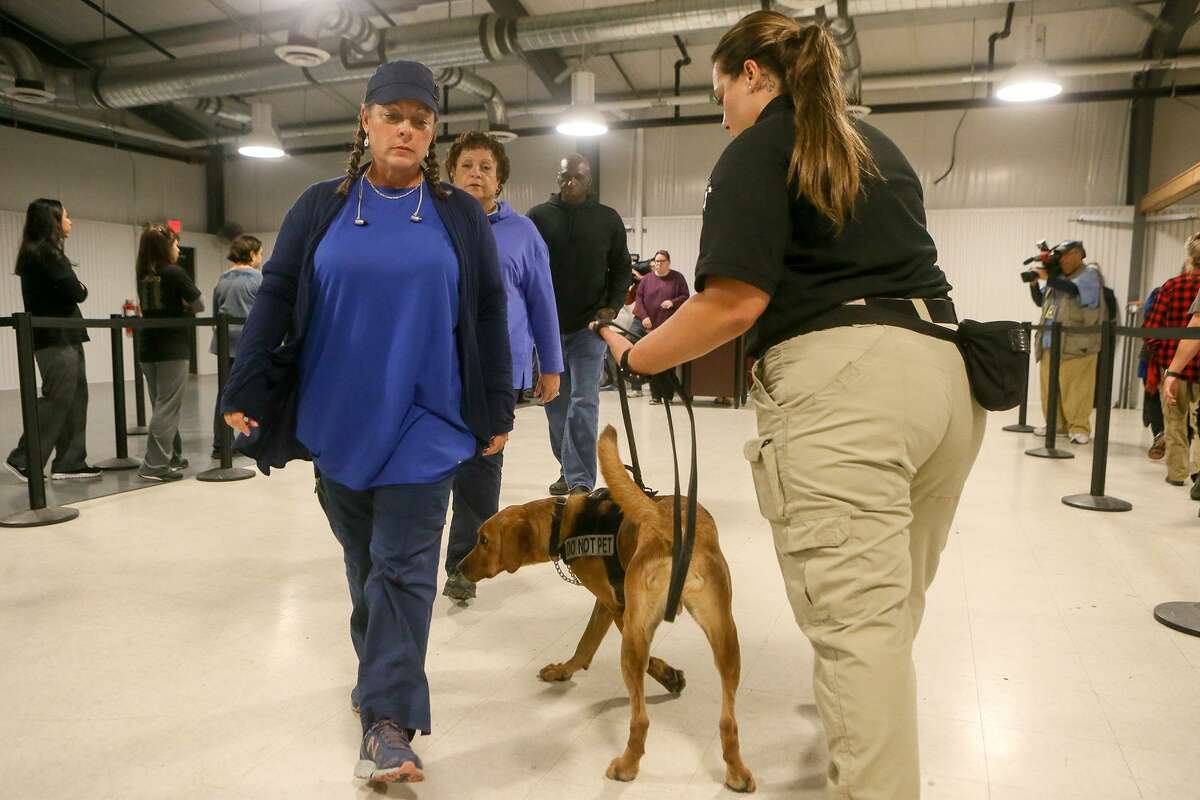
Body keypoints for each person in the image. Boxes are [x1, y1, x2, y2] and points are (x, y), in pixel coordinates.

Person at [593, 12, 984, 798]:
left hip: (848, 390)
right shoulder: (877, 146)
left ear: (751, 75)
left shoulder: (758, 149)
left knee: (855, 631)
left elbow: (732, 303)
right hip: (947, 377)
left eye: (721, 96)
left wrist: (638, 354)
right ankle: (865, 733)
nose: (724, 114)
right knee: (890, 608)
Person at [220, 61, 512, 785]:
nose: (406, 128)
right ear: (366, 120)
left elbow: (485, 311)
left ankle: (388, 725)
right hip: (339, 419)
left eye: (420, 118)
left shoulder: (458, 214)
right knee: (365, 570)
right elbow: (277, 297)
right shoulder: (321, 206)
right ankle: (380, 685)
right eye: (393, 115)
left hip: (430, 421)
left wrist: (496, 405)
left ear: (432, 131)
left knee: (404, 571)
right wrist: (245, 385)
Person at [442, 129, 563, 601]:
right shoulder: (430, 220)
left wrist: (550, 364)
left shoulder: (522, 233)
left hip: (497, 371)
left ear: (500, 180)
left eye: (486, 168)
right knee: (429, 464)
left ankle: (461, 564)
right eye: (467, 165)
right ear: (451, 173)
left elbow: (542, 301)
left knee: (481, 465)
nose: (476, 173)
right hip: (435, 366)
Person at [529, 153, 630, 495]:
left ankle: (580, 482)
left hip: (589, 329)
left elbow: (621, 268)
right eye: (564, 177)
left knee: (584, 402)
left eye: (576, 177)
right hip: (548, 331)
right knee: (556, 406)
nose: (569, 182)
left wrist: (611, 308)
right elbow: (527, 270)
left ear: (589, 182)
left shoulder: (607, 219)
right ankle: (568, 469)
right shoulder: (539, 218)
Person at [4, 199, 100, 482]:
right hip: (54, 338)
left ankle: (70, 462)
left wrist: (77, 287)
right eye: (66, 217)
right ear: (53, 221)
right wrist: (80, 286)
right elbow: (76, 291)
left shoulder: (45, 254)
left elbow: (72, 290)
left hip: (64, 335)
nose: (70, 222)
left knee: (76, 398)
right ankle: (24, 458)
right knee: (58, 397)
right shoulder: (46, 254)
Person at [136, 224, 202, 483]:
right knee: (167, 406)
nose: (178, 249)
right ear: (166, 247)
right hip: (173, 347)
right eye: (175, 244)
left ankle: (172, 456)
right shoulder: (175, 273)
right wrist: (184, 307)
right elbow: (198, 303)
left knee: (160, 405)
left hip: (148, 348)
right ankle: (154, 465)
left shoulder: (143, 275)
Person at [1028, 241, 1104, 444]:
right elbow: (1040, 301)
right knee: (1049, 387)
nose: (1060, 260)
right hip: (1048, 342)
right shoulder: (1058, 278)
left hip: (1077, 345)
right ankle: (1056, 425)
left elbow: (1074, 290)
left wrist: (1049, 277)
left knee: (1077, 388)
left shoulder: (1090, 274)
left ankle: (1079, 428)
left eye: (1064, 255)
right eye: (1059, 256)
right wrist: (1034, 283)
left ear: (1078, 254)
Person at [1153, 232, 1200, 497]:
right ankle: (1198, 473)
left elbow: (1153, 326)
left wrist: (1166, 364)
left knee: (1174, 422)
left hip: (1179, 364)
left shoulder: (1171, 286)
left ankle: (1177, 473)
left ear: (1190, 260)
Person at [208, 235, 263, 459]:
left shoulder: (222, 280)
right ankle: (252, 440)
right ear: (251, 254)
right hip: (249, 345)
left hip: (224, 344)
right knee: (253, 392)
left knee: (224, 394)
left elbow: (214, 313)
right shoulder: (258, 279)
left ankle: (220, 443)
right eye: (260, 252)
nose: (261, 257)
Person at [633, 250, 690, 404]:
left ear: (668, 262)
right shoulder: (647, 280)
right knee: (653, 362)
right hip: (650, 327)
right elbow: (639, 299)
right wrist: (644, 317)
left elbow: (686, 296)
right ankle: (656, 396)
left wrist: (673, 302)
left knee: (666, 363)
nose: (658, 264)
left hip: (668, 328)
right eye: (656, 261)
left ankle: (668, 396)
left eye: (661, 261)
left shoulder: (677, 278)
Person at [1140, 285, 1166, 459]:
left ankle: (1160, 436)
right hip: (1158, 354)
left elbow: (1148, 319)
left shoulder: (1163, 291)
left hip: (1158, 352)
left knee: (1153, 396)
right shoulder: (1161, 291)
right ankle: (1162, 437)